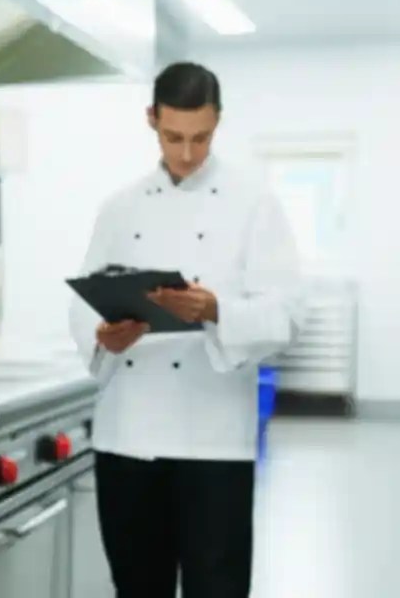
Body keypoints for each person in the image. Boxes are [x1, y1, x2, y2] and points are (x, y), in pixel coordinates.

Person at [69, 62, 303, 598]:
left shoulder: (254, 204)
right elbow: (83, 303)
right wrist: (104, 334)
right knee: (136, 588)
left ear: (217, 121)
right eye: (174, 137)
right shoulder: (118, 207)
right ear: (151, 119)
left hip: (214, 442)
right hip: (128, 436)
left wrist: (217, 310)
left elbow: (289, 314)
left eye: (202, 137)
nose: (188, 153)